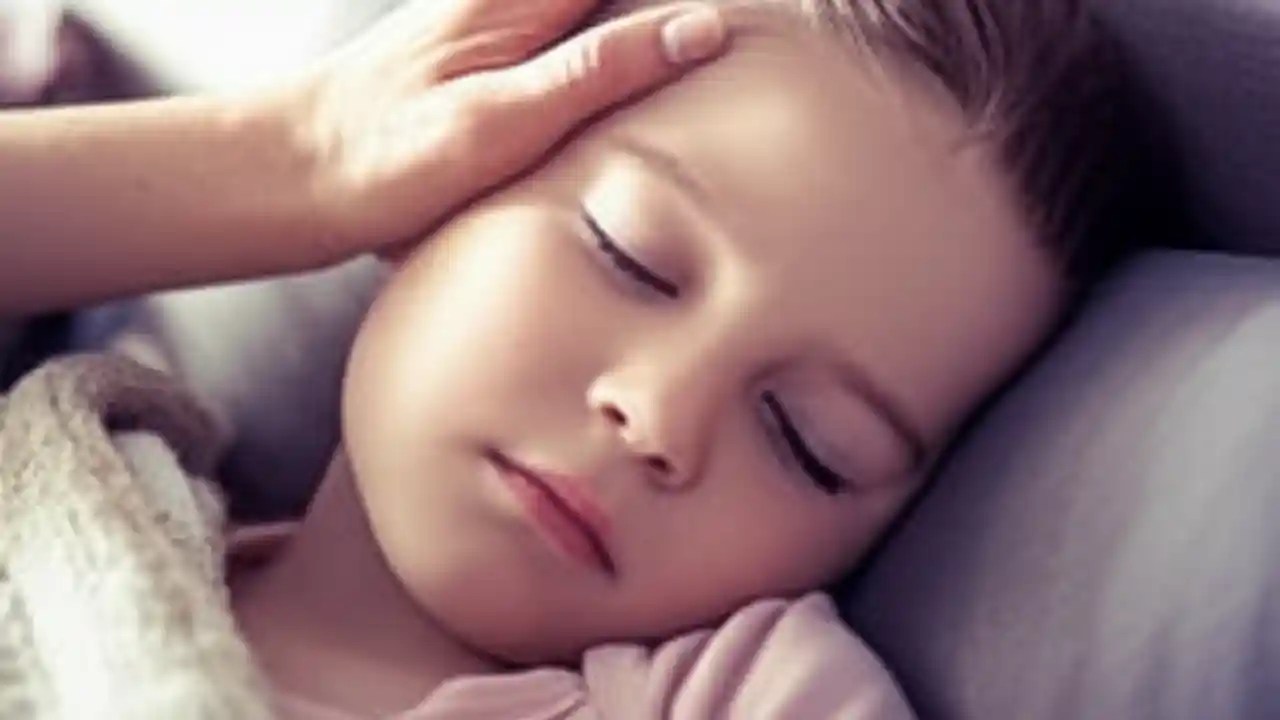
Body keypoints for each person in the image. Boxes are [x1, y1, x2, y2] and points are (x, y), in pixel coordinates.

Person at [0, 0, 1145, 717]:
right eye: (631, 256)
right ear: (451, 183)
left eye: (810, 445)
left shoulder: (729, 697)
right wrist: (301, 157)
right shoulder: (83, 493)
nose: (655, 414)